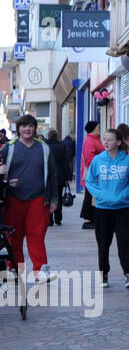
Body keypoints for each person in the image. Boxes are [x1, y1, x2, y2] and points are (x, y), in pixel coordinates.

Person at [0, 114, 61, 280]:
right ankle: (14, 269)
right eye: (24, 126)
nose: (27, 129)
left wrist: (54, 199)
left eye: (30, 126)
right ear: (18, 129)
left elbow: (53, 175)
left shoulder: (44, 148)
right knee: (14, 236)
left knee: (37, 234)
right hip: (13, 198)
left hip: (39, 198)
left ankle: (40, 270)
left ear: (35, 128)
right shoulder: (8, 148)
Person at [84, 126, 129, 289]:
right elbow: (90, 181)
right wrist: (101, 195)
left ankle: (128, 273)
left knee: (124, 241)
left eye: (110, 139)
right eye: (104, 139)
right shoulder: (98, 160)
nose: (106, 142)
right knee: (103, 243)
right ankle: (103, 274)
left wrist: (123, 195)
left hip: (122, 209)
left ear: (119, 142)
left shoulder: (128, 161)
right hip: (102, 209)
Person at [79, 120, 105, 230]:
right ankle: (87, 220)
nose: (99, 128)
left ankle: (90, 219)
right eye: (98, 127)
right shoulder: (90, 140)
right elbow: (89, 158)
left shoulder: (95, 139)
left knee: (92, 196)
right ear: (93, 128)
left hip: (95, 172)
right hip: (92, 173)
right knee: (89, 196)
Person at [44, 130, 73, 226]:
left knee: (48, 197)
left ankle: (49, 219)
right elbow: (65, 162)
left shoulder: (45, 146)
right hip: (59, 175)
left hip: (48, 175)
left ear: (48, 136)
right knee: (58, 197)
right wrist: (68, 176)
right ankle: (58, 219)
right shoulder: (61, 146)